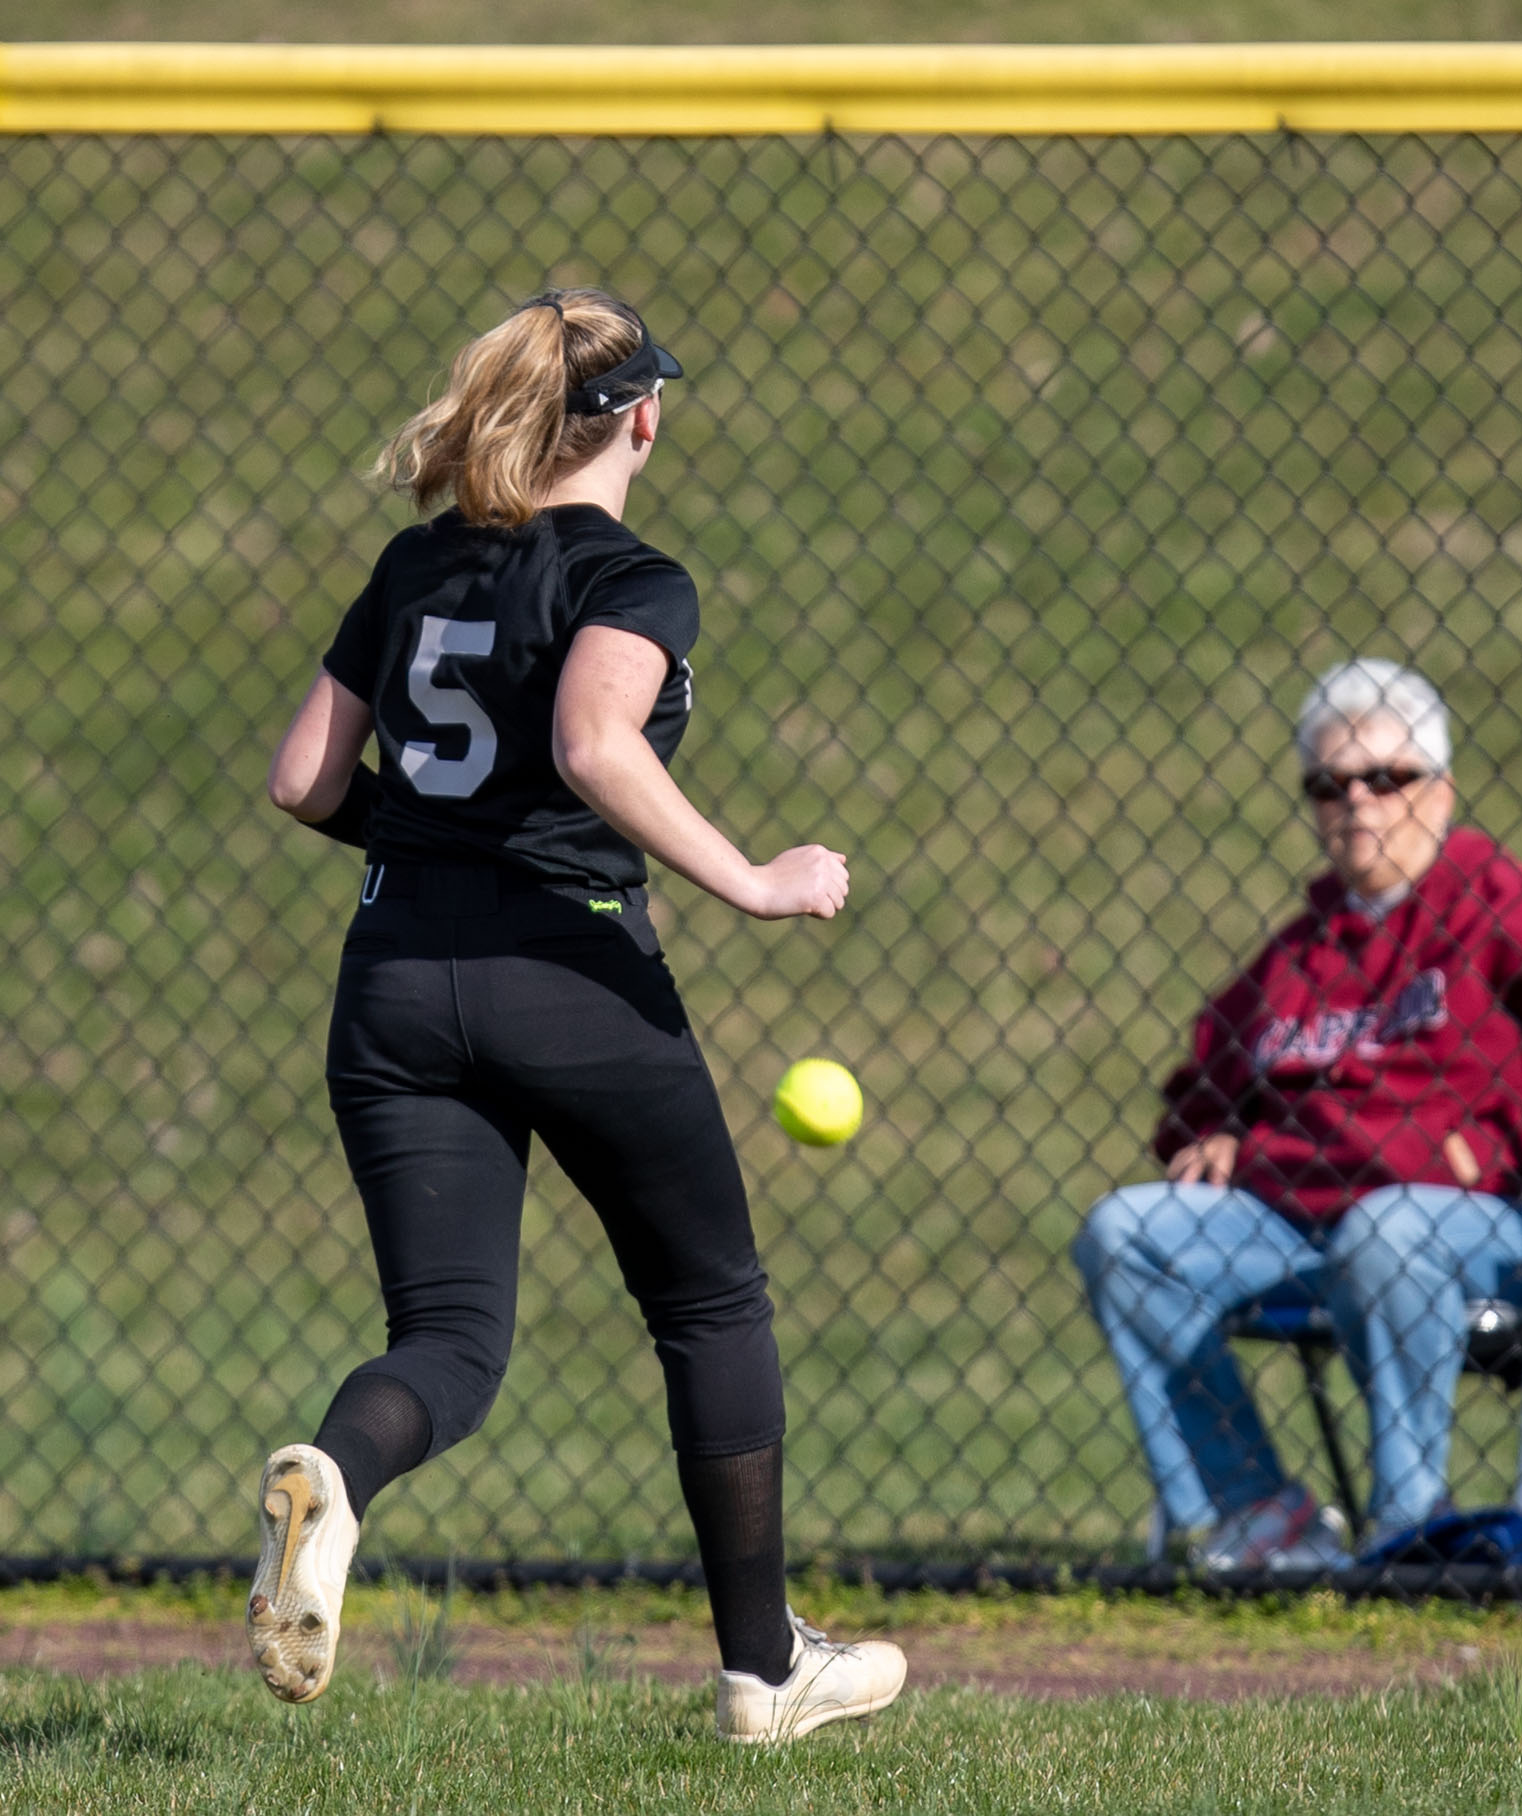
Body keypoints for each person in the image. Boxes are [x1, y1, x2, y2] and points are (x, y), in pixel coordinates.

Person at [256, 288, 904, 1741]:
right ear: (643, 417)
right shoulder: (634, 577)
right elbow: (590, 743)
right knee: (707, 1300)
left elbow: (303, 779)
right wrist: (754, 879)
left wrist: (434, 847)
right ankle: (762, 1669)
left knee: (448, 1339)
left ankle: (336, 1478)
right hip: (572, 973)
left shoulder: (415, 563)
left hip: (395, 982)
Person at [1074, 659, 1522, 1569]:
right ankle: (1261, 1516)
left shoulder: (1515, 904)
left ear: (1438, 793)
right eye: (1329, 783)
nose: (1356, 801)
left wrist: (1499, 1145)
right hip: (1303, 1228)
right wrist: (1214, 1134)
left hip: (1503, 1230)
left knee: (1386, 1230)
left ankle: (1406, 1531)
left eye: (1385, 778)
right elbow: (1202, 1079)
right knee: (1125, 1231)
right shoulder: (1302, 950)